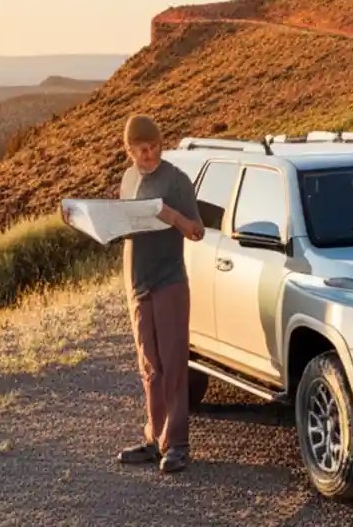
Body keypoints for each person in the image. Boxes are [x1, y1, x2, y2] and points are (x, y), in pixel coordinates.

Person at [112, 114, 204, 474]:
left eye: (154, 148)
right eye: (141, 150)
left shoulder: (177, 180)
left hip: (169, 281)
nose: (149, 155)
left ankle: (178, 444)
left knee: (172, 365)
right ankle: (154, 440)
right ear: (129, 150)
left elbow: (196, 231)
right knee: (149, 366)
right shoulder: (129, 178)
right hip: (138, 282)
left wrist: (170, 215)